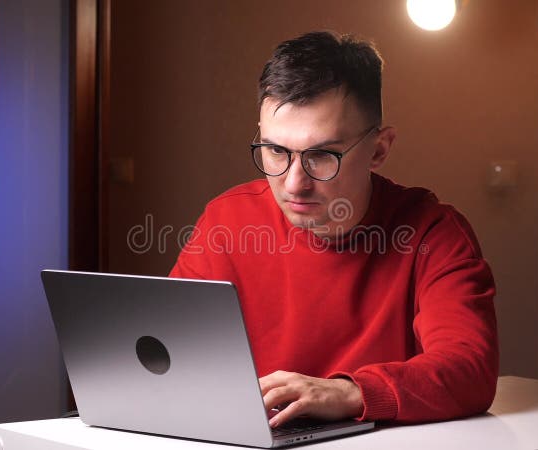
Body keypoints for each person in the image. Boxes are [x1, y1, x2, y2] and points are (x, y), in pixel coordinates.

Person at [169, 30, 498, 428]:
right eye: (275, 151)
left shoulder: (435, 233)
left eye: (322, 156)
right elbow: (170, 356)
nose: (293, 183)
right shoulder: (225, 221)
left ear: (379, 149)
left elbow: (470, 372)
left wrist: (347, 393)